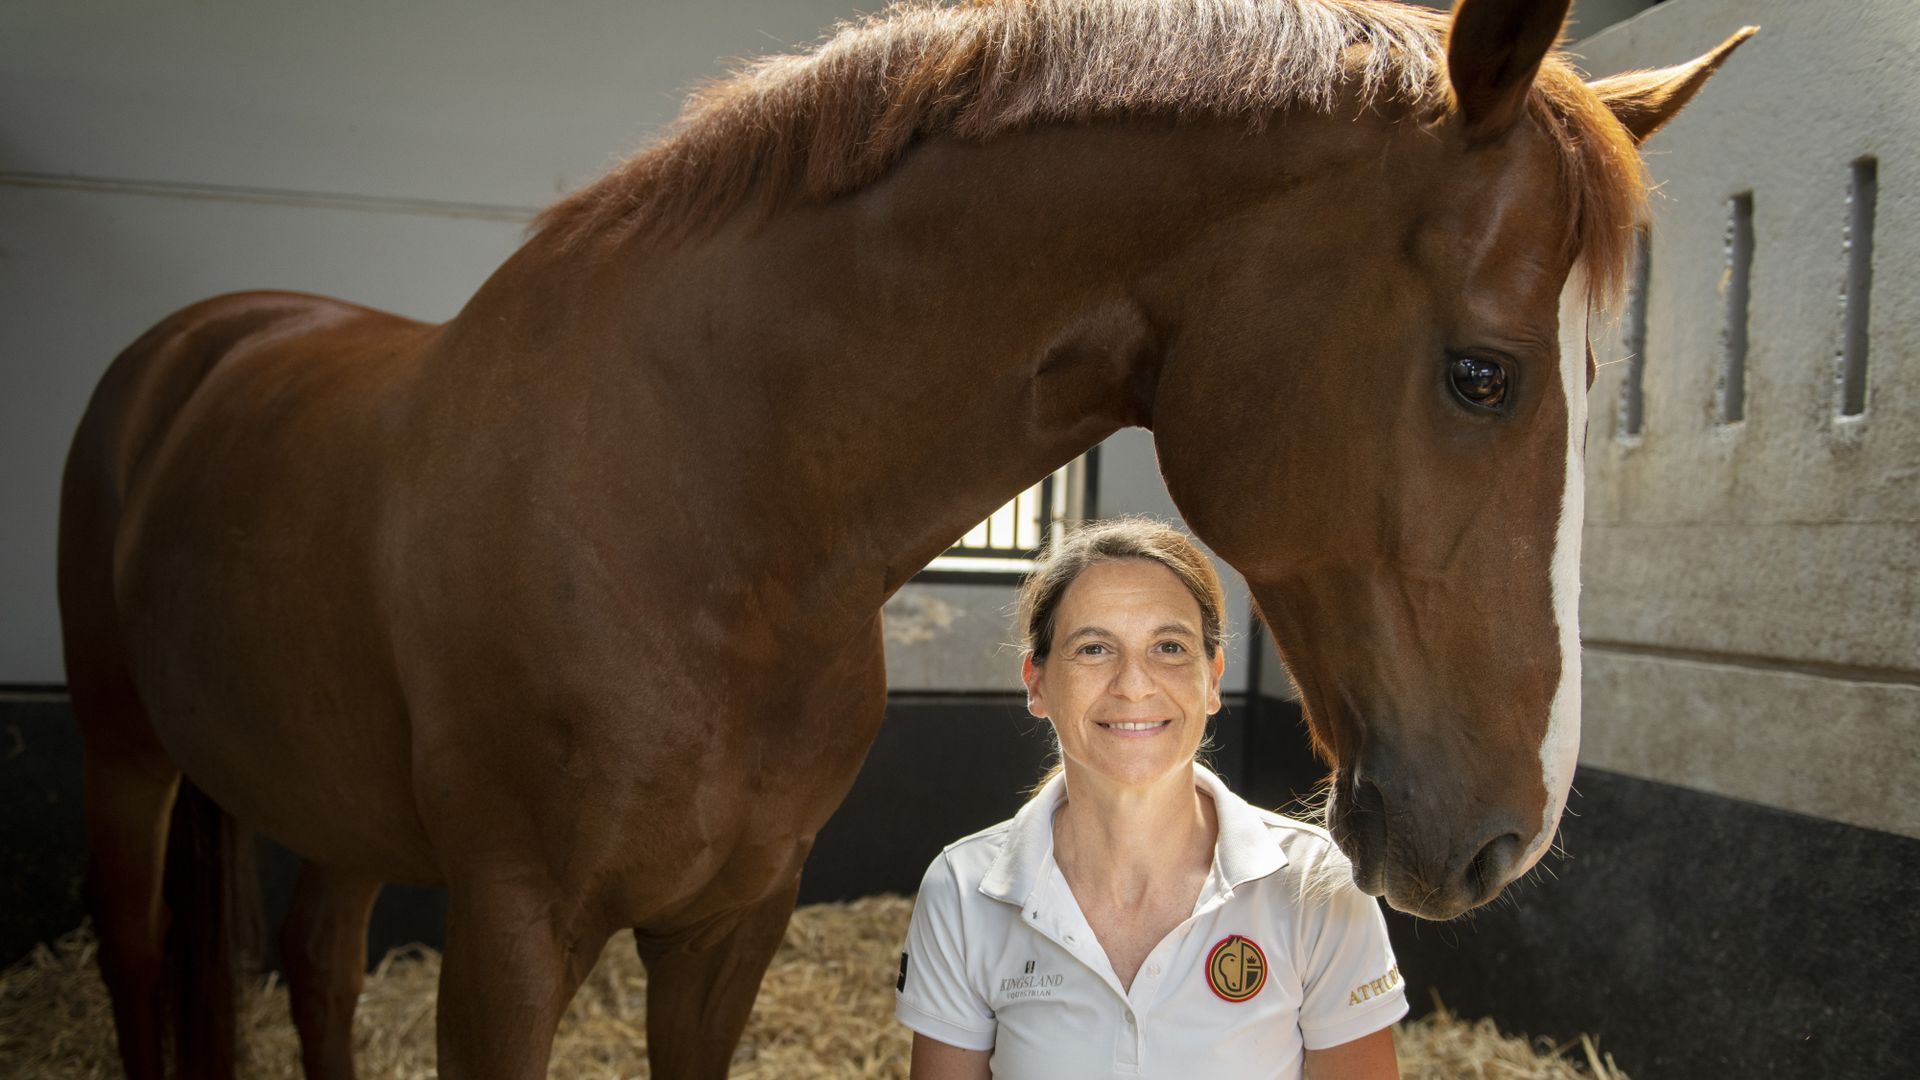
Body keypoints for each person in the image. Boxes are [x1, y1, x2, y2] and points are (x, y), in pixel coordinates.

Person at [895, 518, 1404, 1079]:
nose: (1134, 685)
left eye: (1169, 647)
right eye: (1093, 648)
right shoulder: (963, 892)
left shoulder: (1316, 886)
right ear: (1036, 683)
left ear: (1212, 679)